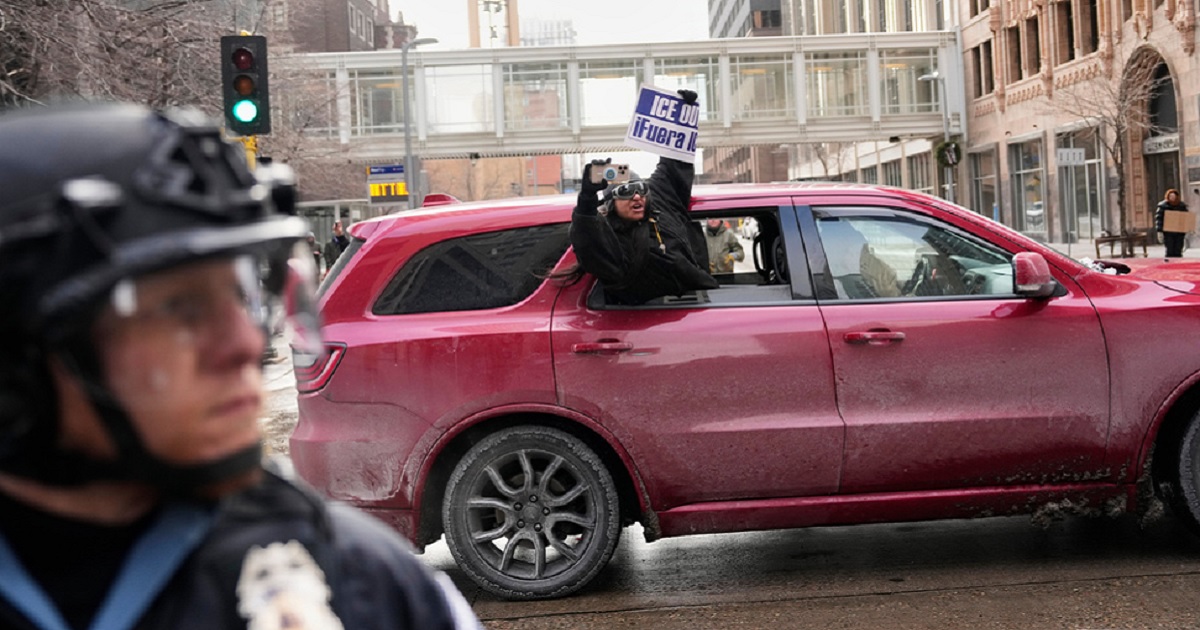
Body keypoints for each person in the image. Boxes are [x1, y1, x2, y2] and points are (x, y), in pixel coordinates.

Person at [0, 103, 481, 630]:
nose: (245, 343)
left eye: (242, 293)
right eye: (175, 309)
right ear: (18, 362)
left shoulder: (361, 587)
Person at [569, 88, 718, 304]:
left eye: (640, 188)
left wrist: (680, 115)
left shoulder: (660, 201)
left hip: (703, 304)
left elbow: (673, 163)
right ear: (610, 204)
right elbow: (588, 238)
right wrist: (586, 199)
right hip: (654, 321)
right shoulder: (610, 240)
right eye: (626, 192)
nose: (637, 197)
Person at [1155, 188, 1190, 258]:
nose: (1172, 198)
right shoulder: (1163, 206)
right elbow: (1159, 219)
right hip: (1168, 232)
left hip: (1179, 232)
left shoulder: (1181, 206)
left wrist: (1187, 229)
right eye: (1171, 196)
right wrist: (1159, 231)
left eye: (1174, 197)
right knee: (1170, 250)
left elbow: (1186, 218)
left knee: (1178, 249)